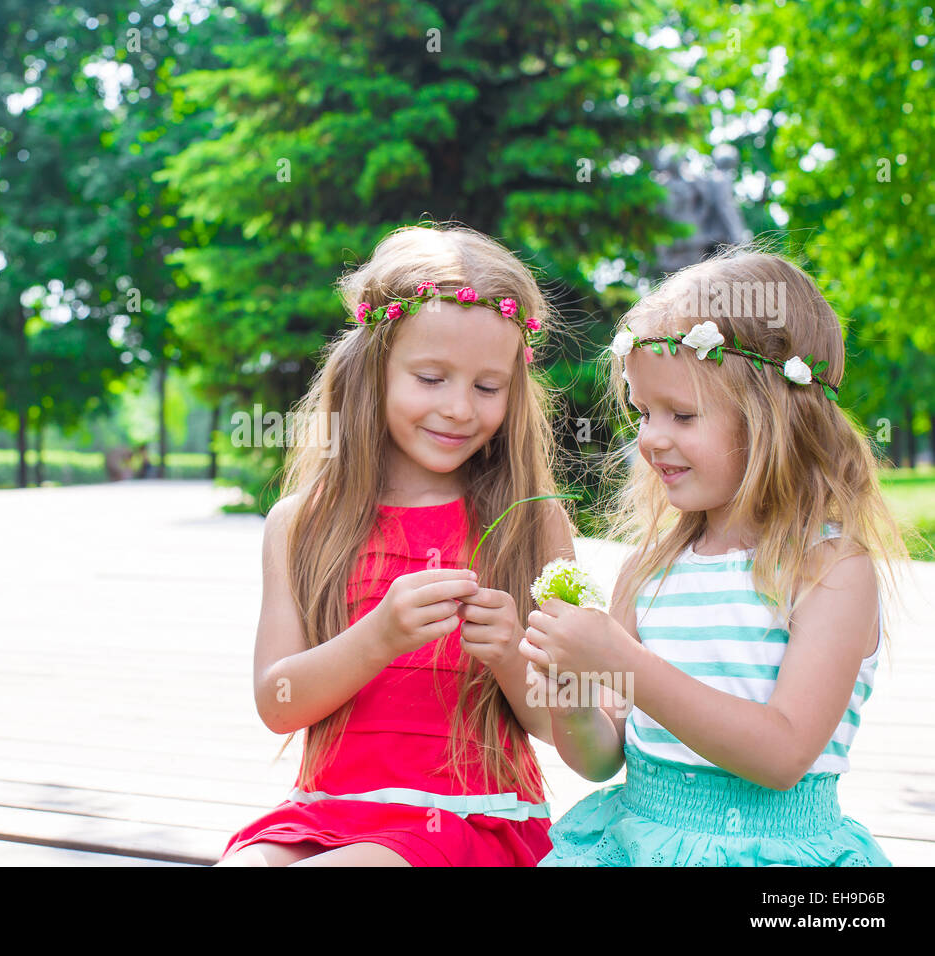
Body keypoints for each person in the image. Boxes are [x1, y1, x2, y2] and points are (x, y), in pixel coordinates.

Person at [521, 247, 909, 866]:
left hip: (773, 853)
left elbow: (781, 756)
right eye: (644, 412)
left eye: (682, 414)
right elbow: (601, 758)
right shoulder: (648, 572)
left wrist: (622, 660)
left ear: (772, 419)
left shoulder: (830, 570)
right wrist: (572, 691)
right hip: (639, 840)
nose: (650, 437)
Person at [217, 223, 577, 866]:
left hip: (470, 822)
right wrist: (378, 635)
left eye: (487, 386)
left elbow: (563, 726)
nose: (461, 408)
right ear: (373, 371)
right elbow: (278, 704)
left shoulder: (532, 522)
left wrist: (508, 656)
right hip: (325, 815)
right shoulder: (302, 524)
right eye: (431, 378)